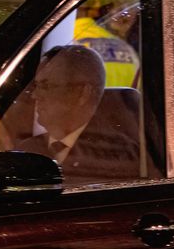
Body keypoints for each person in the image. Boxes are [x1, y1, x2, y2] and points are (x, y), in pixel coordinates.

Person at [9, 44, 140, 183]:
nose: (35, 95)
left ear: (82, 94)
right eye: (36, 86)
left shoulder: (120, 156)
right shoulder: (25, 151)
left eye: (46, 86)